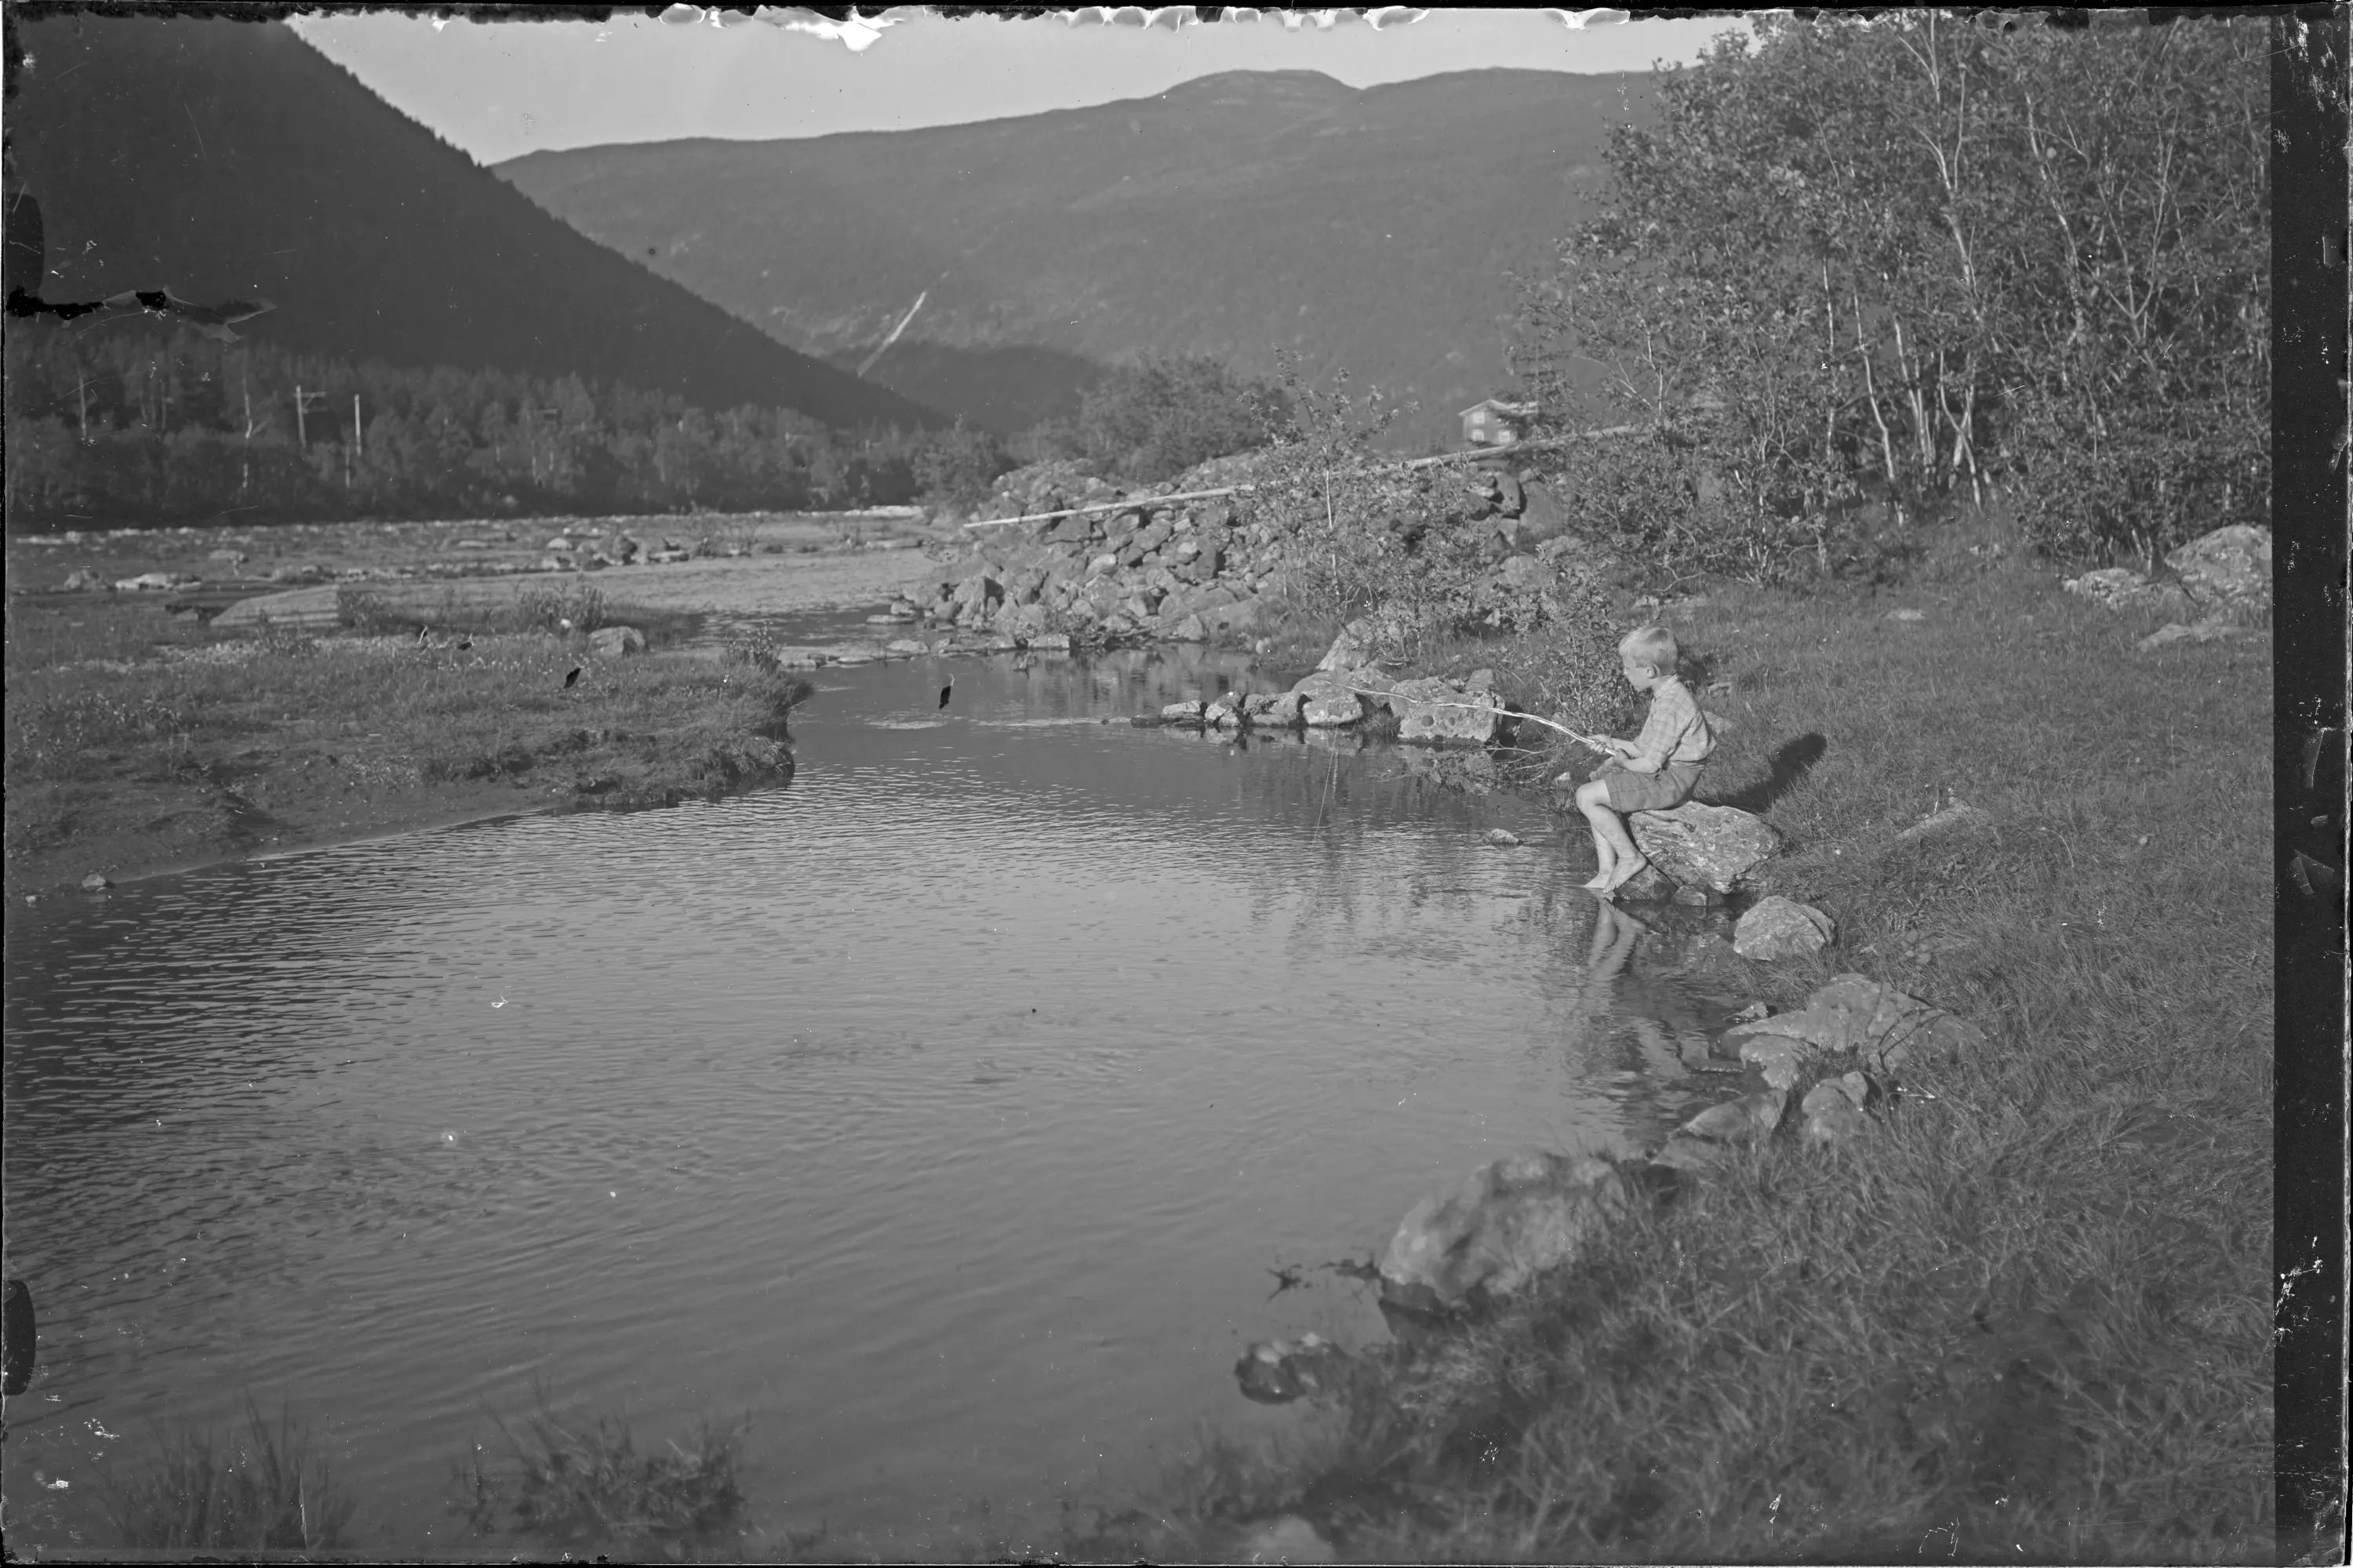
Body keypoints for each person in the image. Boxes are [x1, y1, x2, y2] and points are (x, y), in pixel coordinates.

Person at [1571, 625, 1714, 897]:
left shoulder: (1670, 705)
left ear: (1649, 671)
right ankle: (1605, 873)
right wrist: (1610, 743)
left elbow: (1648, 765)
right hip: (1668, 774)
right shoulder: (1667, 694)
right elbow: (1643, 747)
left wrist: (1621, 763)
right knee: (1594, 791)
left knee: (1586, 797)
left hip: (1671, 782)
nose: (1624, 673)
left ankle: (1630, 858)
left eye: (1628, 668)